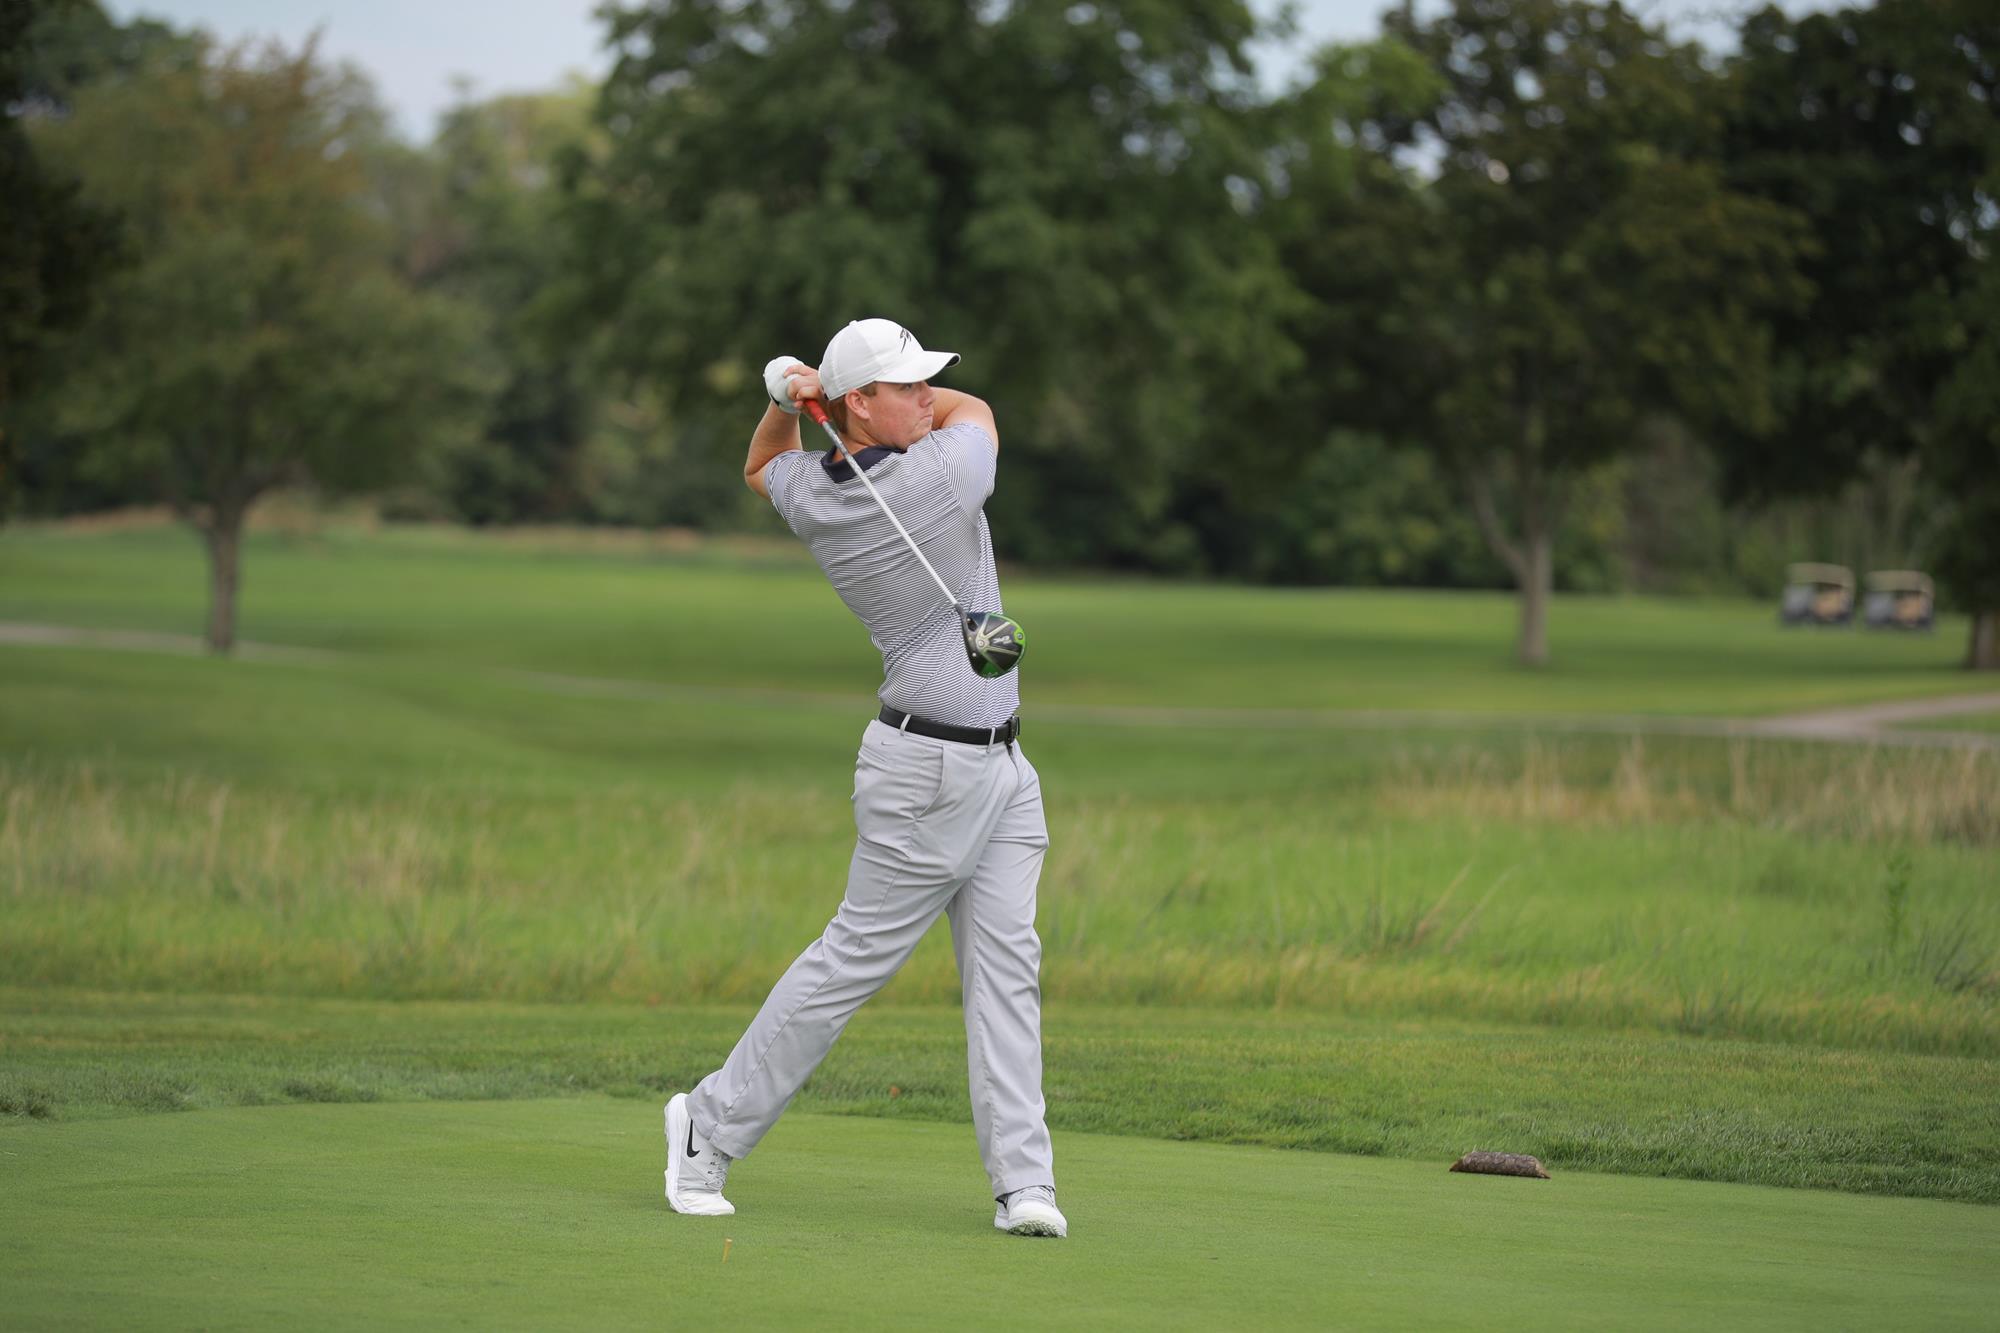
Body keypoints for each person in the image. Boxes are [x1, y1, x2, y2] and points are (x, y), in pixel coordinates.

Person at [663, 318, 1066, 1238]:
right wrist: (820, 393)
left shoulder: (816, 490)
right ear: (859, 404)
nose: (930, 398)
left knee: (1009, 973)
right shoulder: (944, 471)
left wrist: (781, 398)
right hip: (927, 772)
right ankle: (706, 1126)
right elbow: (983, 410)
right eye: (908, 387)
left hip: (1003, 764)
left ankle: (1023, 1183)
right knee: (851, 963)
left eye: (930, 384)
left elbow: (764, 467)